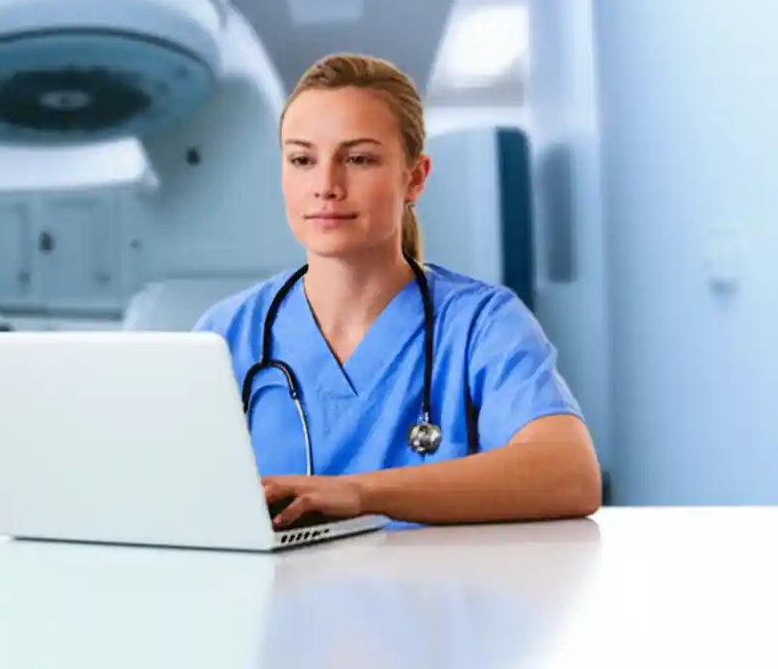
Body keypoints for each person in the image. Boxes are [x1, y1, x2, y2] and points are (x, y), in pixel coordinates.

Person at [193, 53, 601, 528]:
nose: (326, 185)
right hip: (268, 600)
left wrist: (360, 492)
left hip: (436, 598)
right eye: (302, 159)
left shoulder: (480, 324)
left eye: (359, 159)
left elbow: (569, 475)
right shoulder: (225, 334)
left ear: (415, 178)